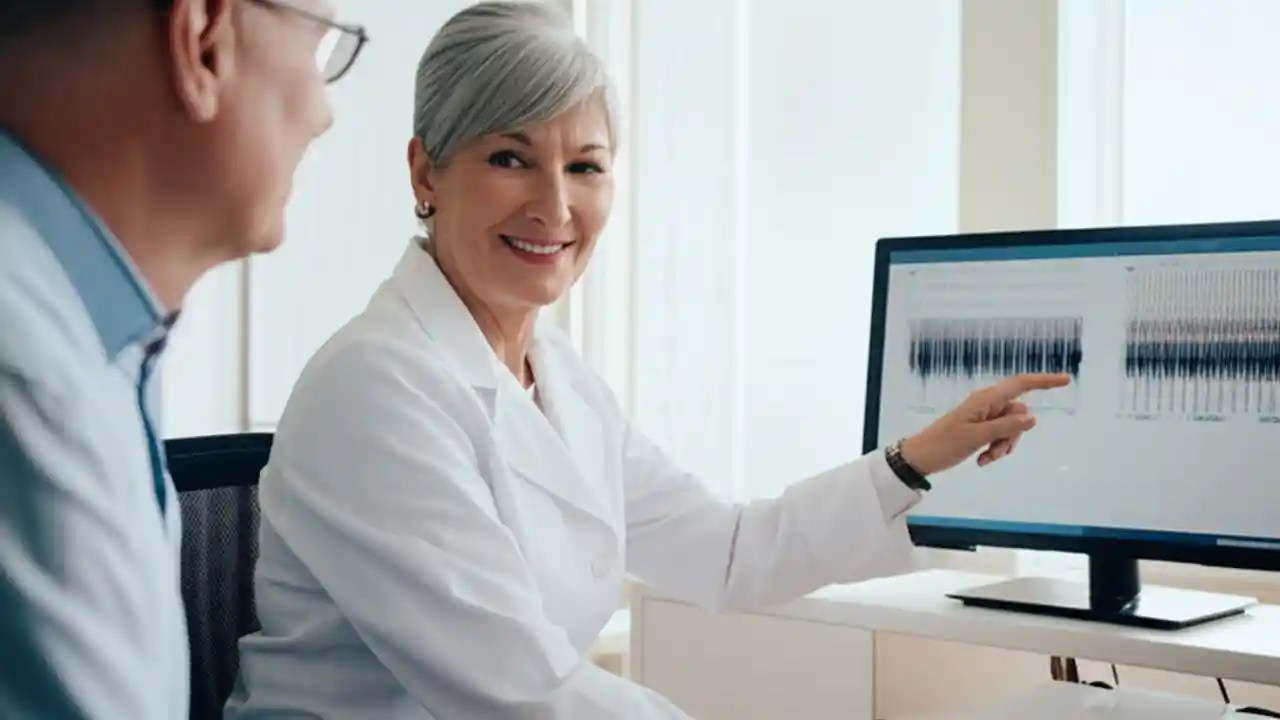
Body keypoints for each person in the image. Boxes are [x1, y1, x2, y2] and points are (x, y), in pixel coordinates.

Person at [225, 2, 1070, 717]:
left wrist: (916, 458)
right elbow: (523, 694)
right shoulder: (374, 388)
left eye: (584, 167)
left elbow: (729, 551)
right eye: (511, 159)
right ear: (426, 173)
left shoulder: (558, 377)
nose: (555, 206)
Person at [0, 1, 365, 717]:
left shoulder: (103, 332)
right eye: (321, 46)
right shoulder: (30, 377)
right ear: (202, 41)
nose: (324, 114)